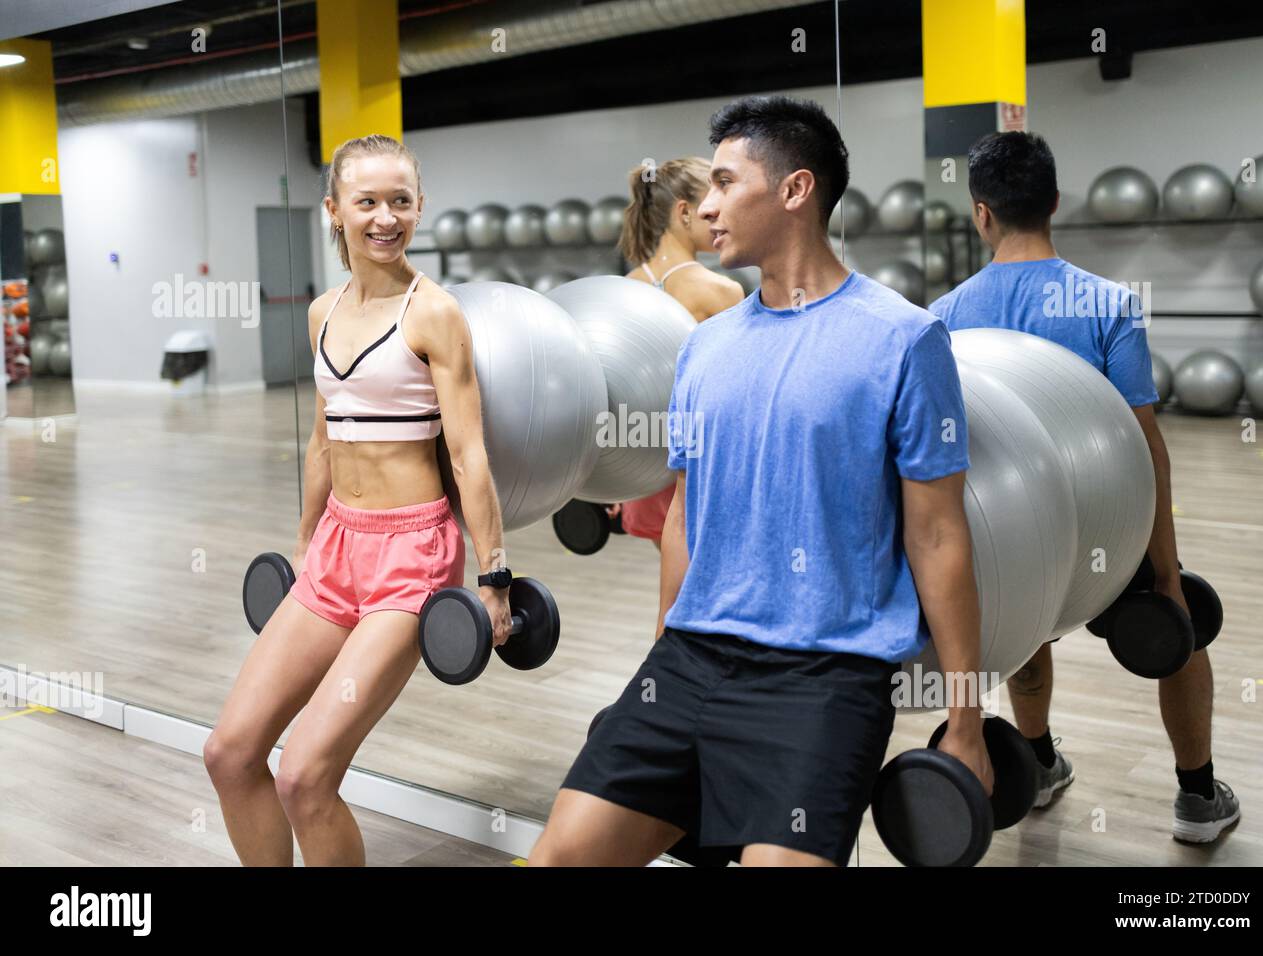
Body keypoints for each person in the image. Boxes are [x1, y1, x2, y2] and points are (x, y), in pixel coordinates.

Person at [530, 95, 989, 867]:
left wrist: (966, 719)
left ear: (795, 190)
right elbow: (681, 518)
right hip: (690, 659)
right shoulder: (703, 347)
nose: (704, 208)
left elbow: (938, 534)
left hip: (824, 678)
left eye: (723, 183)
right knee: (557, 858)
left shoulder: (906, 339)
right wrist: (658, 662)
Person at [204, 134, 512, 866]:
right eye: (367, 201)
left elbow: (468, 454)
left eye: (400, 201)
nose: (385, 217)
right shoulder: (322, 312)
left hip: (411, 558)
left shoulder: (433, 313)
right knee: (229, 753)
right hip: (337, 549)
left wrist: (495, 575)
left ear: (419, 208)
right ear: (333, 211)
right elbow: (322, 442)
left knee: (306, 775)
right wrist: (307, 542)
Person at [929, 130, 1239, 844]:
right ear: (1056, 203)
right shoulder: (1106, 303)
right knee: (1180, 638)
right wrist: (1166, 576)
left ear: (982, 214)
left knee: (1025, 628)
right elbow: (1145, 450)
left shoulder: (942, 317)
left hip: (1014, 533)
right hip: (1110, 525)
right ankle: (1198, 799)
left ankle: (1036, 766)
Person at [609, 157, 745, 549]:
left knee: (674, 578)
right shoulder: (719, 290)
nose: (719, 215)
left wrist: (616, 473)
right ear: (683, 211)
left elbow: (617, 392)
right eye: (711, 204)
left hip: (644, 461)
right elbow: (734, 396)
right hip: (702, 466)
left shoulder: (626, 286)